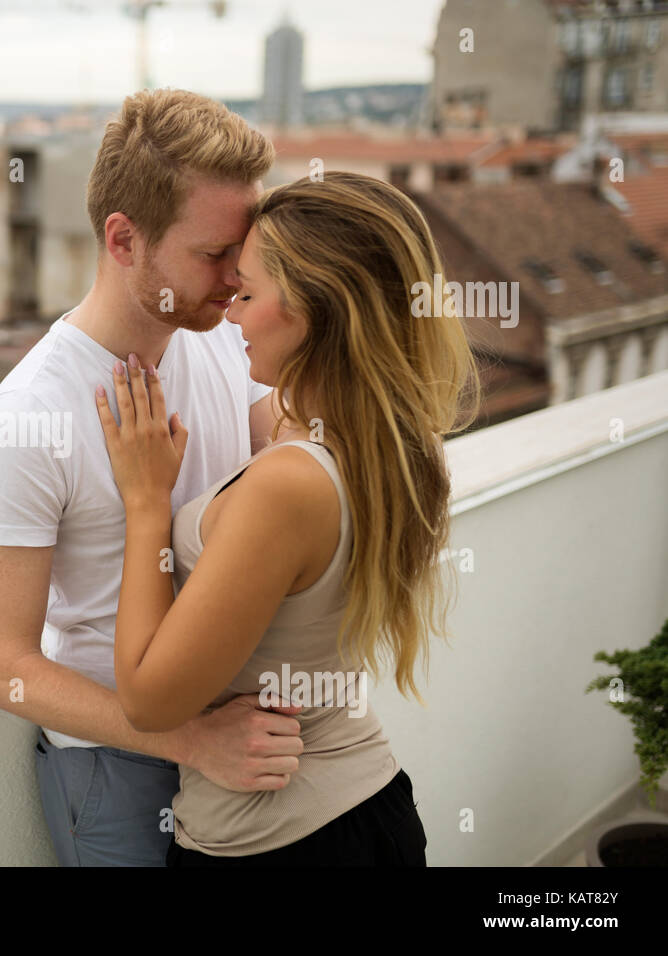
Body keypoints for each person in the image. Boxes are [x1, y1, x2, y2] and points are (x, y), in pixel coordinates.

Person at [94, 169, 482, 865]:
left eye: (246, 292)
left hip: (281, 841)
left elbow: (149, 701)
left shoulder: (289, 485)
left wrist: (148, 505)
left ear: (313, 308)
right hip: (366, 806)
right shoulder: (400, 439)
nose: (232, 314)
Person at [0, 88, 306, 867]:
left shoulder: (226, 339)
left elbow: (297, 460)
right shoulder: (29, 416)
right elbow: (0, 666)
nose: (235, 279)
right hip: (120, 768)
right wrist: (195, 741)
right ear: (124, 240)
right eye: (213, 254)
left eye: (243, 255)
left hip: (240, 734)